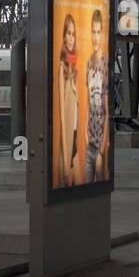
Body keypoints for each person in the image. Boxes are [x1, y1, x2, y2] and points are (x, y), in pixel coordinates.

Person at [84, 10, 109, 183]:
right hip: (89, 142)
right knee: (85, 186)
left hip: (101, 143)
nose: (95, 37)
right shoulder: (89, 63)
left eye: (98, 32)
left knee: (99, 183)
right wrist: (86, 138)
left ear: (103, 34)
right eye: (93, 32)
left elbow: (107, 112)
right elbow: (87, 103)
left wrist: (101, 149)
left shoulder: (105, 64)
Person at [58, 14, 78, 187]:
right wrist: (65, 157)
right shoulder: (61, 68)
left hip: (76, 138)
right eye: (68, 33)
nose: (71, 37)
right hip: (67, 144)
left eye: (73, 33)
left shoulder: (73, 67)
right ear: (63, 36)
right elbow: (63, 117)